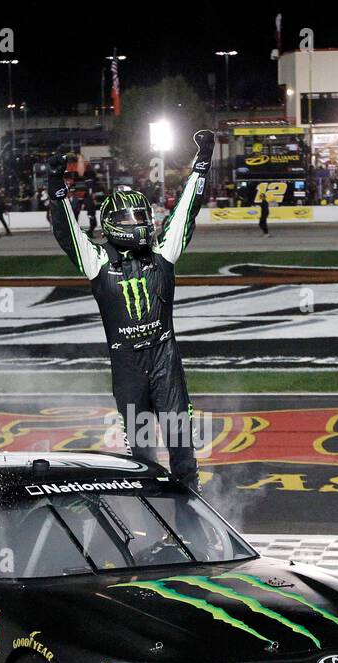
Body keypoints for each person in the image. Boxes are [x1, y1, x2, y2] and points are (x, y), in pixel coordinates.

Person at [47, 130, 215, 490]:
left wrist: (203, 162)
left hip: (165, 360)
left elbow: (187, 207)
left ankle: (192, 511)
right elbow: (67, 232)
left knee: (182, 451)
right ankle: (148, 520)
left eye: (140, 217)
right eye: (127, 219)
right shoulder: (95, 260)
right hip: (128, 368)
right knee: (141, 459)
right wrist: (56, 187)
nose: (137, 224)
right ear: (110, 224)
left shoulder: (163, 252)